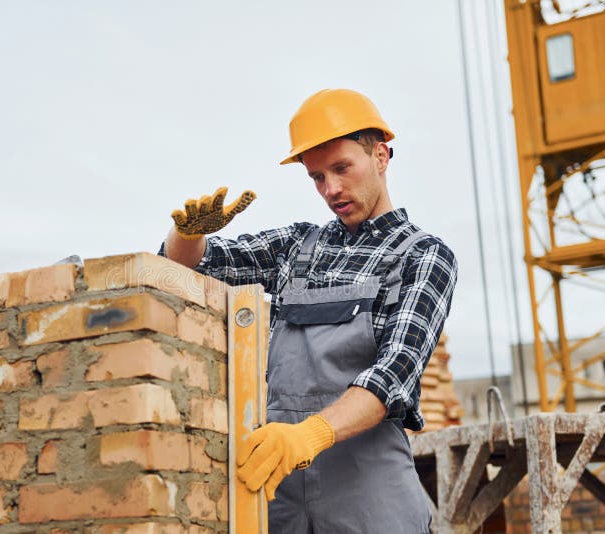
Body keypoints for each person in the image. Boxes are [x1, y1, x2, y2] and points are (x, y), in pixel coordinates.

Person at [160, 88, 457, 533]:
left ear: (380, 155)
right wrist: (187, 235)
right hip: (281, 501)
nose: (331, 189)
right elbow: (188, 268)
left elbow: (394, 375)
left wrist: (308, 435)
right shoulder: (297, 249)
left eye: (341, 168)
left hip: (371, 504)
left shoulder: (423, 256)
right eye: (317, 177)